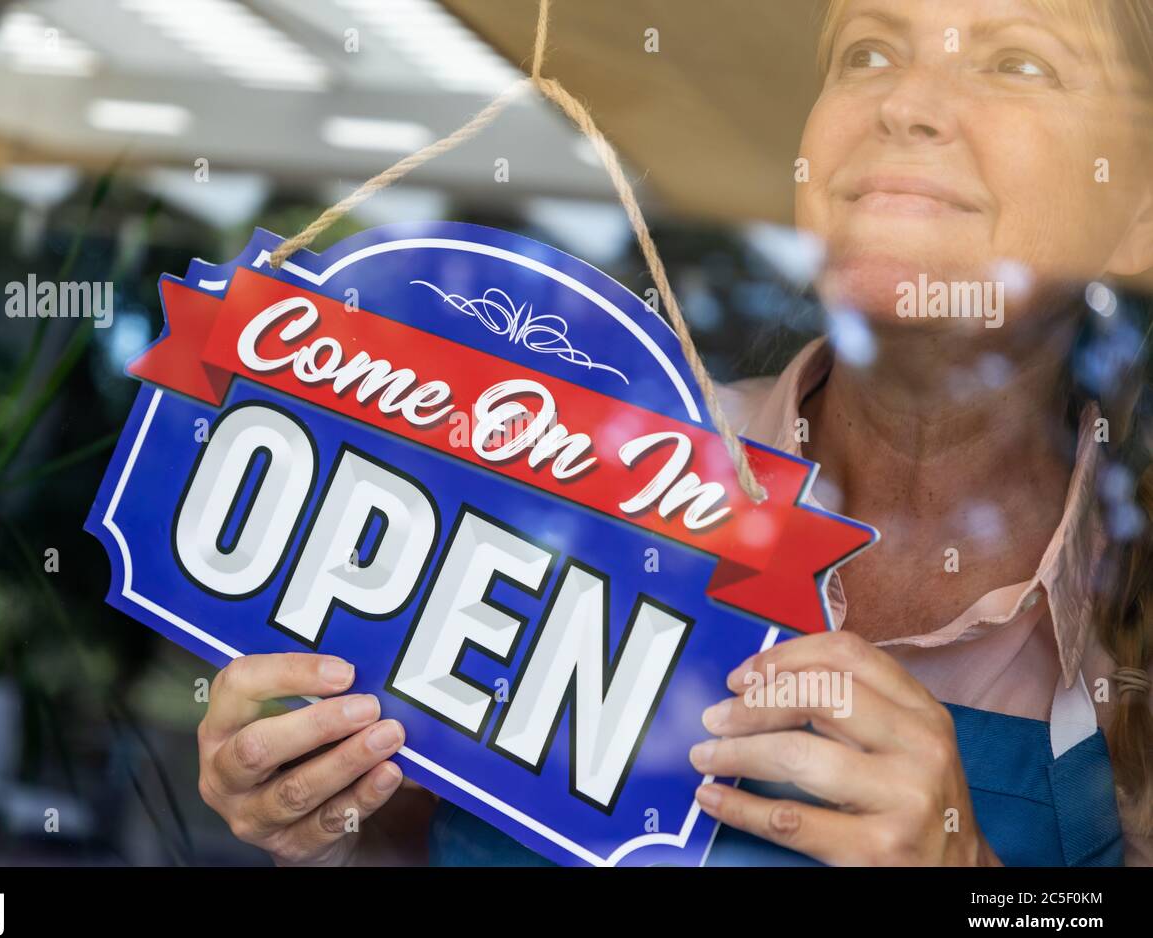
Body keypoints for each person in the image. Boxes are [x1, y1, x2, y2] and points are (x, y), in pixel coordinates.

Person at [195, 0, 1153, 866]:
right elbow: (412, 828)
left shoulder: (1132, 601)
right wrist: (323, 804)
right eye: (866, 51)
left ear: (1139, 211)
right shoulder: (564, 464)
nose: (906, 104)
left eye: (1018, 63)